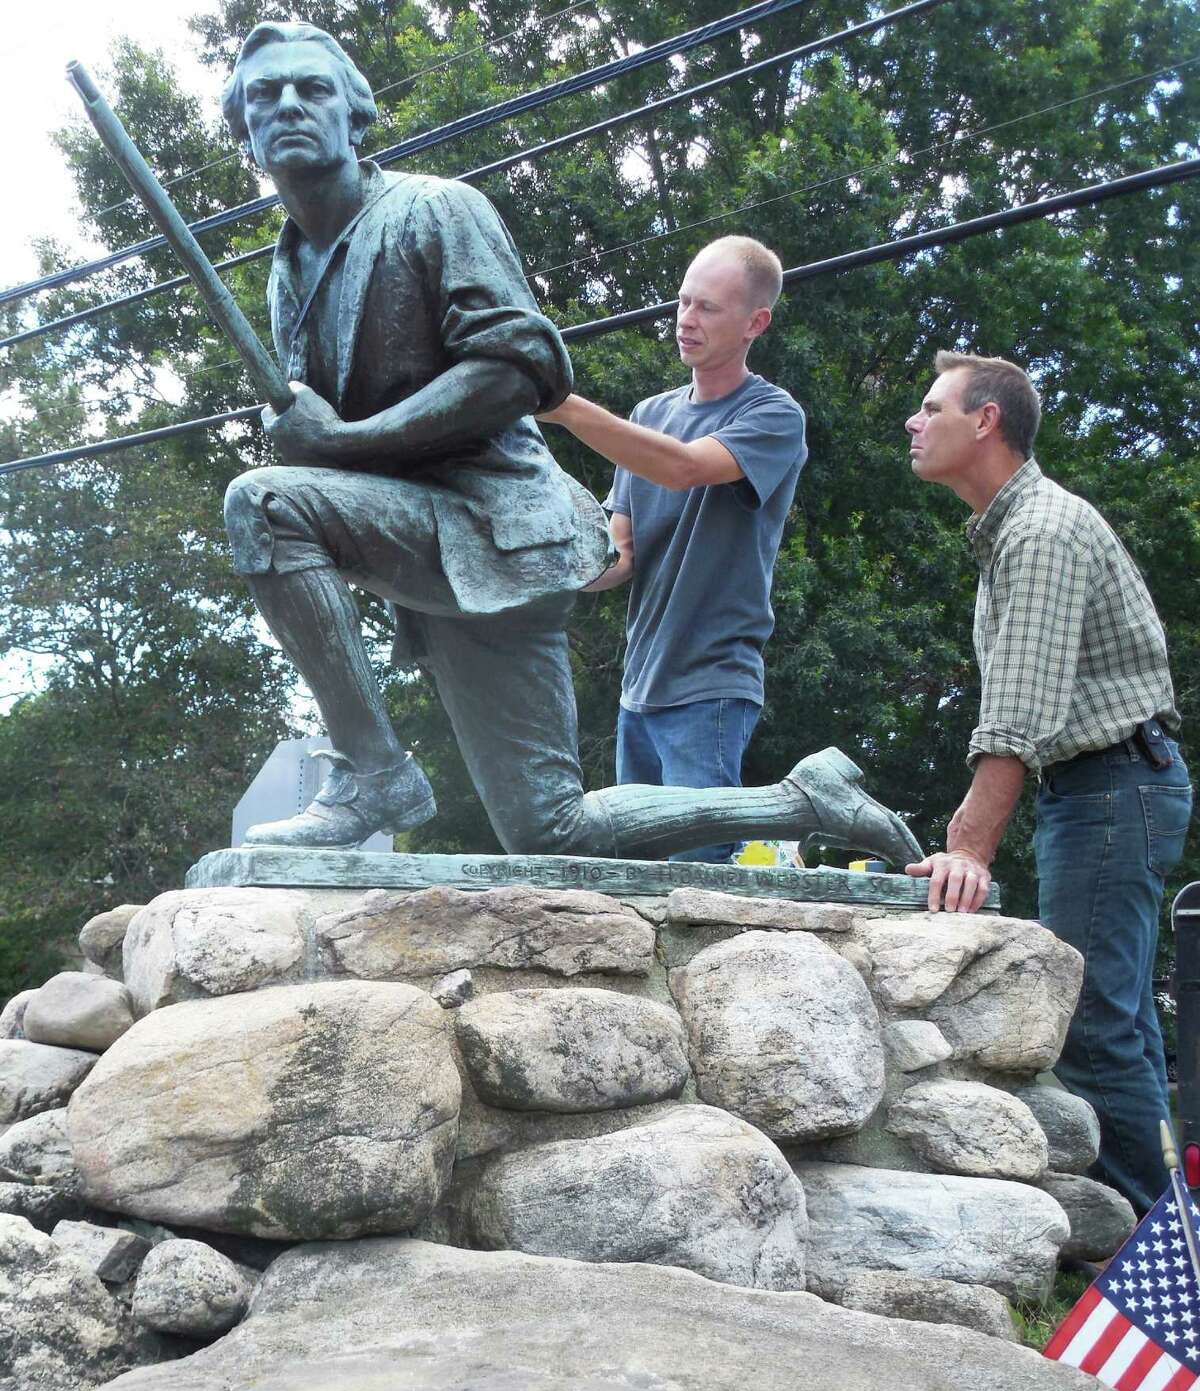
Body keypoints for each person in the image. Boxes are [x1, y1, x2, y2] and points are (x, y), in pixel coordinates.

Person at [218, 22, 921, 872]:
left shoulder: (433, 209)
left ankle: (372, 772)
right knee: (553, 833)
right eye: (265, 94)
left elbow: (523, 368)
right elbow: (621, 533)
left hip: (488, 527)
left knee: (264, 503)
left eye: (313, 88)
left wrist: (342, 440)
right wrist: (317, 442)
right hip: (464, 558)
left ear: (356, 113)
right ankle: (804, 799)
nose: (288, 105)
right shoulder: (289, 267)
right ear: (244, 129)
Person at [903, 350, 1192, 1217]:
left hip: (1112, 789)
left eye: (930, 408)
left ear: (985, 421)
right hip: (1108, 790)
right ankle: (1161, 1238)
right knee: (1122, 1021)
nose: (913, 424)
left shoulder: (1041, 532)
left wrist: (968, 848)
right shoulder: (1012, 533)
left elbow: (1019, 715)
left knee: (1094, 1028)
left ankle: (1147, 1255)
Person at [540, 237, 807, 861]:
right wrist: (546, 572)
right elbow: (620, 556)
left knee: (698, 889)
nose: (686, 319)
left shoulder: (773, 415)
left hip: (710, 687)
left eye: (708, 308)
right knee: (636, 886)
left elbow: (686, 468)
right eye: (683, 302)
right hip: (639, 690)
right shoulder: (649, 414)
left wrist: (567, 409)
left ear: (755, 323)